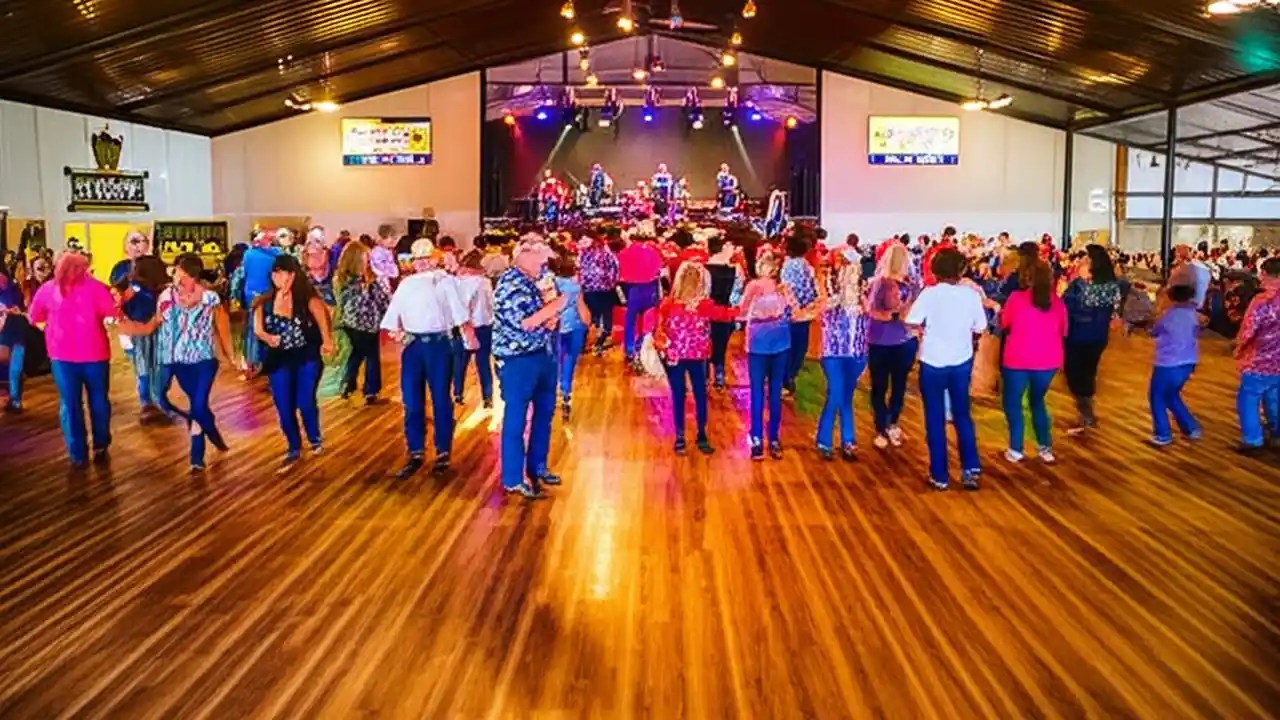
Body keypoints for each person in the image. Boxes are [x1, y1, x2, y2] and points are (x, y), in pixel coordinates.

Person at [117, 254, 235, 473]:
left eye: (183, 273)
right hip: (176, 362)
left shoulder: (211, 299)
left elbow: (223, 330)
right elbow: (153, 324)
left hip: (203, 362)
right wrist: (129, 326)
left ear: (193, 276)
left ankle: (196, 457)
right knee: (177, 402)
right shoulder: (165, 297)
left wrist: (233, 359)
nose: (178, 277)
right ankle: (212, 434)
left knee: (198, 406)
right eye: (177, 272)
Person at [381, 240, 475, 479]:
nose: (422, 263)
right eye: (417, 259)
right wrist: (399, 334)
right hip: (415, 346)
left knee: (441, 398)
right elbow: (392, 318)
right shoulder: (406, 285)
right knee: (412, 400)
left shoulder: (445, 282)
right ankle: (416, 451)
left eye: (426, 258)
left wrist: (468, 337)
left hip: (438, 345)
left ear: (435, 258)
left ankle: (443, 451)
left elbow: (460, 314)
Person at [905, 247, 988, 491]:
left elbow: (912, 320)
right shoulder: (970, 296)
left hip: (932, 361)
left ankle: (939, 474)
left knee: (934, 417)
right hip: (961, 360)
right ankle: (970, 467)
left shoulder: (929, 294)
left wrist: (922, 331)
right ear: (961, 270)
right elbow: (980, 326)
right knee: (962, 414)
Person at [27, 252, 118, 469]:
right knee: (99, 400)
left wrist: (50, 329)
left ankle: (77, 454)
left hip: (61, 355)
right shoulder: (96, 288)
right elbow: (111, 313)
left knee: (70, 404)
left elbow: (34, 317)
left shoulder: (47, 289)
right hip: (95, 353)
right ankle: (101, 444)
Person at [493, 235, 566, 498]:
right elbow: (523, 322)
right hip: (518, 360)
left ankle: (537, 467)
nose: (544, 263)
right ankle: (513, 476)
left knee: (544, 414)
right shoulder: (510, 284)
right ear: (524, 257)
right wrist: (555, 307)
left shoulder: (538, 279)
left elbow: (545, 314)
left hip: (542, 353)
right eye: (541, 258)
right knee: (516, 417)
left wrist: (551, 315)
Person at [253, 255, 335, 473]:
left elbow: (323, 319)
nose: (283, 278)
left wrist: (327, 342)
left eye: (288, 273)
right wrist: (268, 338)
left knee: (305, 400)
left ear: (295, 275)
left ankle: (314, 438)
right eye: (278, 273)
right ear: (272, 276)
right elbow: (258, 329)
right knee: (283, 404)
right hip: (279, 359)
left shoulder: (307, 299)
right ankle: (293, 445)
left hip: (306, 356)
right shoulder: (265, 302)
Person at [655, 262, 738, 455]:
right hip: (698, 356)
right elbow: (725, 314)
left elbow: (658, 327)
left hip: (674, 356)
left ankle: (680, 438)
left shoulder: (668, 304)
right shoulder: (704, 306)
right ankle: (701, 435)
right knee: (700, 394)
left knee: (678, 394)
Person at [999, 261, 1068, 464]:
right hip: (1048, 361)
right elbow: (1064, 331)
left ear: (1027, 278)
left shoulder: (1016, 298)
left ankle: (1016, 448)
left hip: (1017, 358)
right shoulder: (1058, 303)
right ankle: (1045, 447)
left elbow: (1005, 323)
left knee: (1013, 403)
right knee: (1038, 402)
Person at [738, 251, 794, 460]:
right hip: (775, 340)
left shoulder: (760, 287)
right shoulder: (779, 288)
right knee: (773, 391)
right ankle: (771, 439)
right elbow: (794, 310)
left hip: (763, 342)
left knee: (759, 392)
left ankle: (759, 440)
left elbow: (742, 311)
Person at [1061, 244, 1122, 435]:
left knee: (1074, 374)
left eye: (1085, 260)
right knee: (1087, 373)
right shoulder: (1111, 287)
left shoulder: (1079, 287)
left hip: (1077, 335)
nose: (1080, 262)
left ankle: (1085, 412)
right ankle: (1086, 411)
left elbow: (1068, 308)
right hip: (1098, 336)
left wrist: (1067, 288)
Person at [866, 242, 918, 450]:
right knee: (896, 386)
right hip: (897, 341)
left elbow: (872, 312)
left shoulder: (893, 285)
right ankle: (889, 424)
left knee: (882, 386)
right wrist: (898, 315)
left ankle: (884, 426)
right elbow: (877, 312)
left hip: (885, 341)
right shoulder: (884, 285)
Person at [816, 260, 869, 461]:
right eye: (849, 274)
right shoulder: (832, 300)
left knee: (846, 396)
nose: (852, 279)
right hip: (834, 354)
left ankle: (848, 439)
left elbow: (873, 313)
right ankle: (825, 439)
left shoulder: (863, 301)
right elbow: (822, 310)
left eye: (856, 275)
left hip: (856, 354)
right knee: (836, 393)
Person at [333, 241, 391, 405]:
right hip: (367, 323)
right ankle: (371, 389)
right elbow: (382, 301)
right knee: (371, 355)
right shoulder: (368, 281)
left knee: (357, 353)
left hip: (349, 323)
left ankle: (348, 383)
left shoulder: (341, 280)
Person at [1234, 256, 1280, 454]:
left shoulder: (1262, 300)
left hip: (1260, 359)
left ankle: (1253, 439)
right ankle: (1277, 434)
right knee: (1274, 398)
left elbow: (1249, 329)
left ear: (1265, 274)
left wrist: (1239, 347)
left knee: (1249, 397)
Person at [1148, 284, 1203, 447]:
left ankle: (1163, 433)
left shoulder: (1168, 316)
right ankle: (1191, 427)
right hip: (1188, 361)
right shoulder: (1193, 314)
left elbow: (1154, 331)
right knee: (1171, 395)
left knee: (1156, 396)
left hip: (1168, 363)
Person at [119, 255, 172, 421]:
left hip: (141, 334)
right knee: (152, 368)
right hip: (146, 333)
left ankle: (150, 403)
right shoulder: (141, 291)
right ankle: (153, 403)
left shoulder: (140, 289)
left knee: (146, 369)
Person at [234, 229, 282, 377]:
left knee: (252, 328)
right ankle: (267, 360)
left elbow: (243, 275)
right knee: (270, 326)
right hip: (269, 295)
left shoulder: (249, 254)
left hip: (251, 295)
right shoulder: (277, 256)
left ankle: (252, 362)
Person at [452, 249, 496, 408]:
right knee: (483, 362)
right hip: (484, 326)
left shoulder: (456, 282)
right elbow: (492, 304)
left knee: (459, 362)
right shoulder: (484, 282)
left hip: (462, 325)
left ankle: (457, 393)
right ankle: (487, 397)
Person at [779, 235, 819, 394]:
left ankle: (785, 379)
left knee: (789, 347)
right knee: (799, 347)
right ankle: (788, 378)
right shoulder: (806, 266)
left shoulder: (788, 266)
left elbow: (788, 289)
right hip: (802, 313)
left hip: (791, 313)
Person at [618, 234, 663, 369]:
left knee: (630, 320)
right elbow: (659, 270)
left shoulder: (624, 253)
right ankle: (641, 344)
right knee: (648, 321)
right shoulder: (653, 252)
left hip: (632, 288)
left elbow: (620, 272)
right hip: (650, 287)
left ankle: (630, 350)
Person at [705, 233, 744, 390]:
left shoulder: (703, 269)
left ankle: (706, 374)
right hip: (725, 313)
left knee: (706, 344)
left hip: (706, 312)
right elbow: (736, 295)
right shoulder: (736, 271)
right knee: (721, 344)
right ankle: (719, 373)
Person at [554, 254, 590, 419]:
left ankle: (555, 389)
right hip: (575, 327)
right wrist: (588, 323)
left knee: (556, 359)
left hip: (556, 326)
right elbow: (582, 309)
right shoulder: (576, 287)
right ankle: (566, 391)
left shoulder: (551, 285)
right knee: (570, 359)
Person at [578, 234, 619, 356]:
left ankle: (585, 343)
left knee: (590, 316)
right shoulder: (605, 252)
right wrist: (611, 283)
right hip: (604, 289)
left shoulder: (584, 253)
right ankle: (600, 342)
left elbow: (580, 269)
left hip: (590, 289)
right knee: (605, 314)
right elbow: (615, 268)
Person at [0, 268, 29, 413]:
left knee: (16, 368)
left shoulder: (14, 289)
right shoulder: (12, 289)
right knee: (14, 366)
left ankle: (15, 399)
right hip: (7, 332)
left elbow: (22, 308)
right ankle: (14, 398)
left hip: (15, 331)